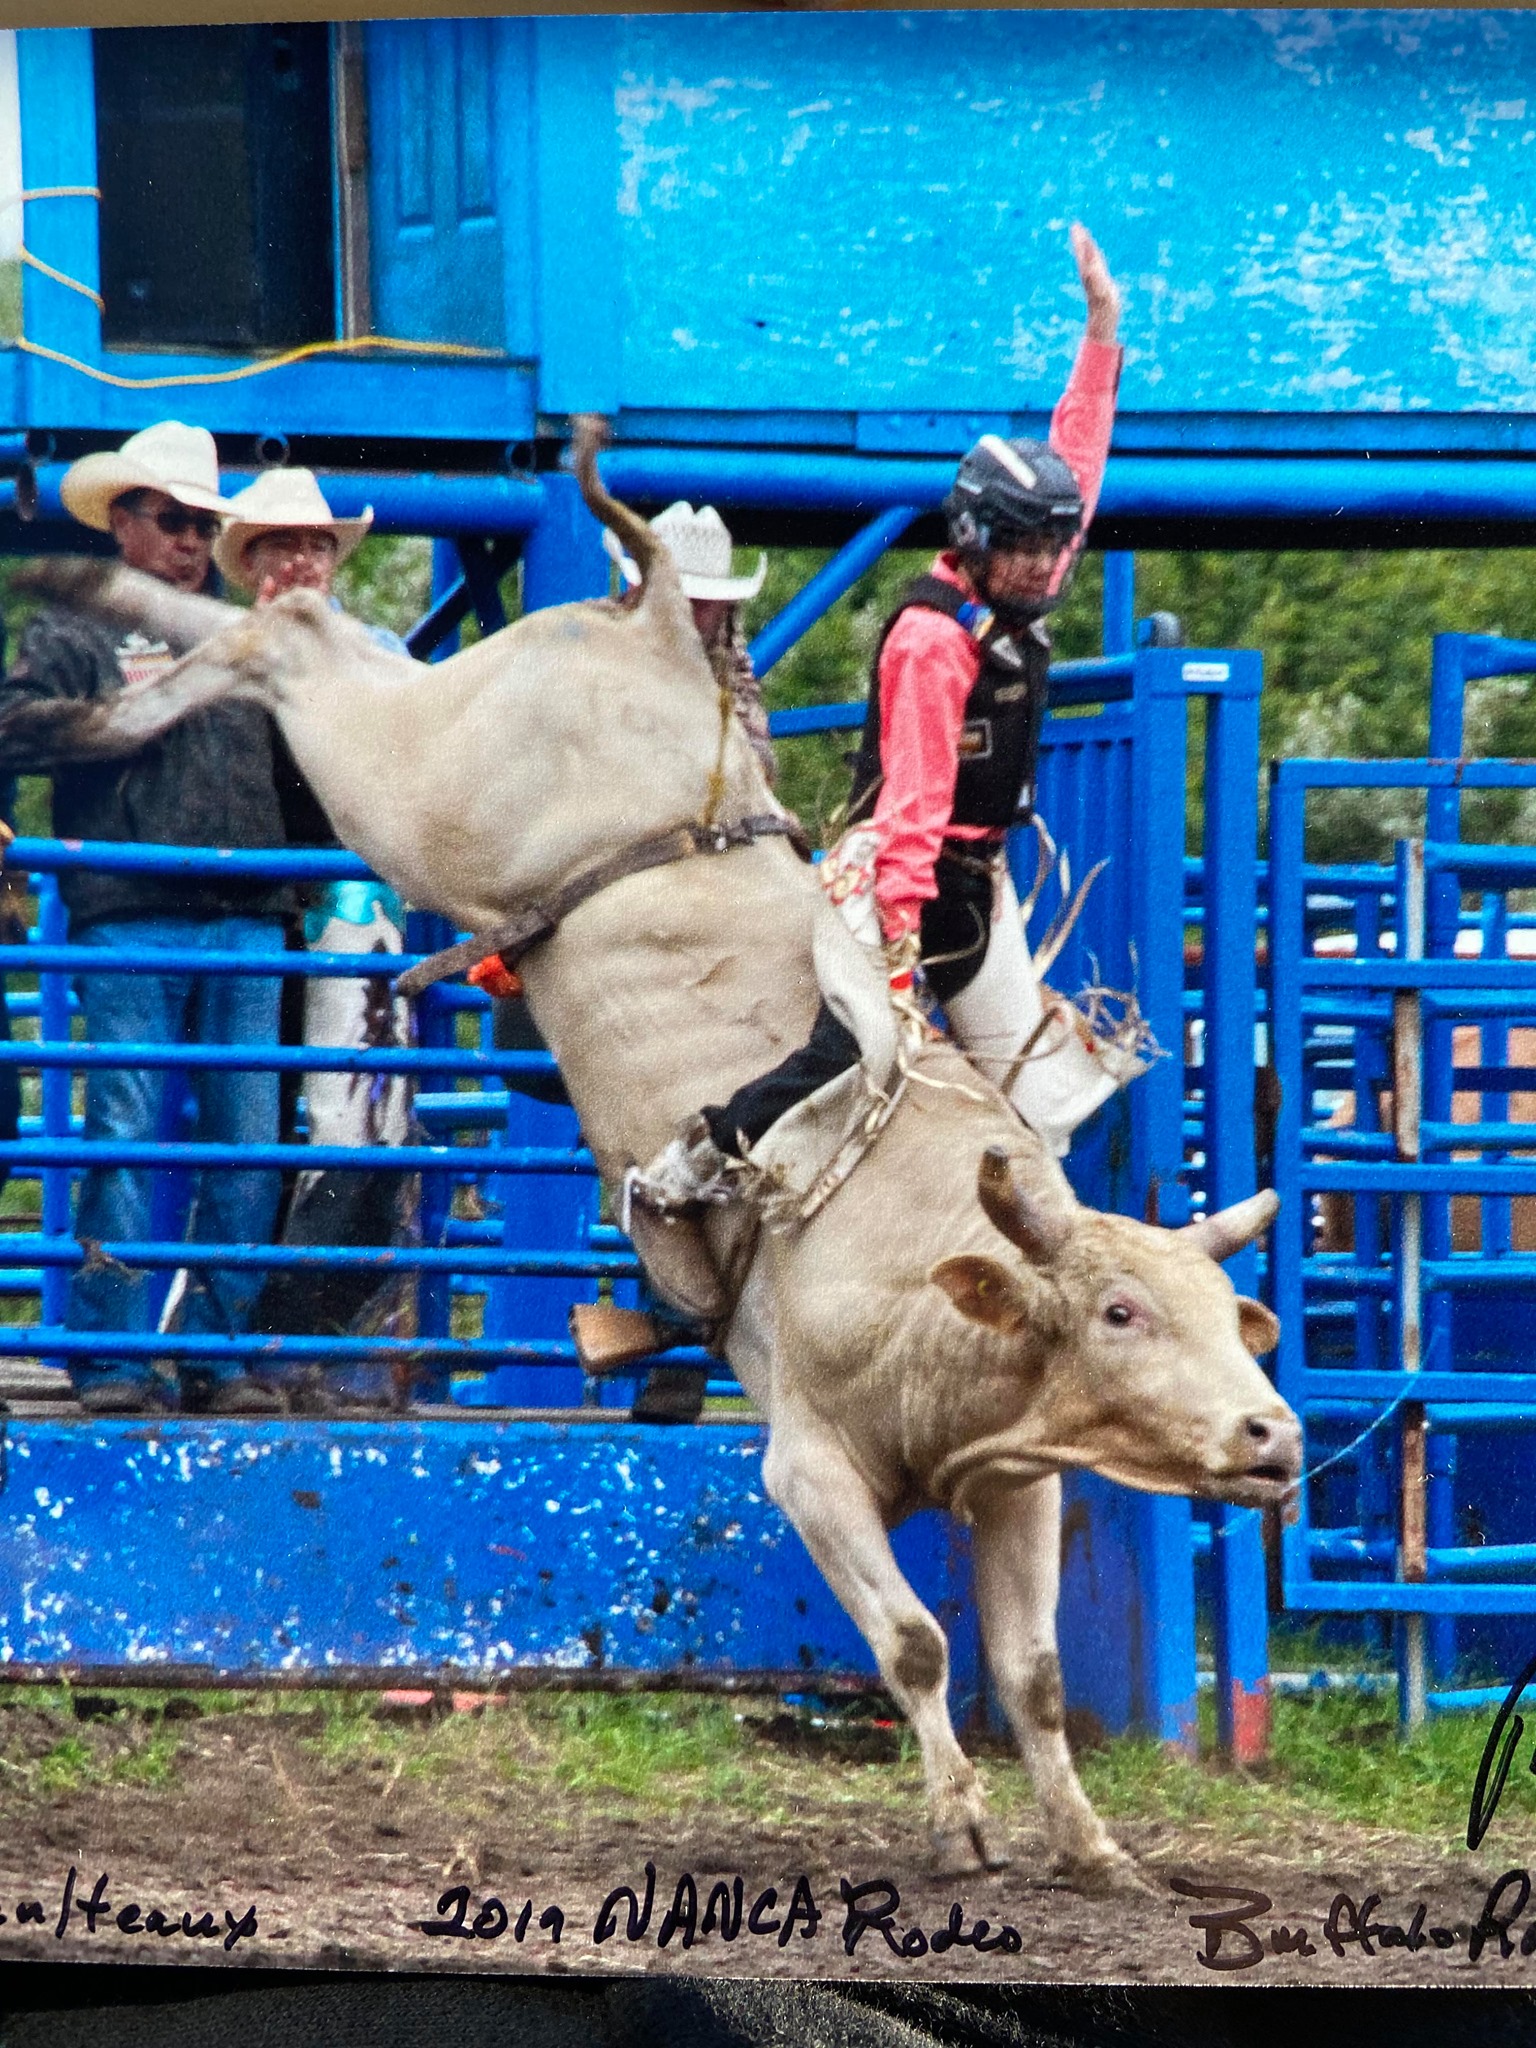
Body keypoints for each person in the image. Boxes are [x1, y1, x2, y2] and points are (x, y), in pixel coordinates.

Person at [627, 223, 1147, 1220]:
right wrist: (900, 943)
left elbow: (1080, 453)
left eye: (1054, 545)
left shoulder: (1011, 595)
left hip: (976, 885)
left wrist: (1101, 327)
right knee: (849, 1055)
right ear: (978, 540)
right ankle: (699, 1157)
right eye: (1030, 547)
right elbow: (912, 802)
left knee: (1045, 1100)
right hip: (898, 875)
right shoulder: (930, 637)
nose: (1050, 564)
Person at [0, 420, 291, 1415]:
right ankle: (120, 1355)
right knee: (129, 1125)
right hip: (134, 913)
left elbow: (304, 775)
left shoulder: (251, 640)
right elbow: (14, 728)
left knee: (249, 1140)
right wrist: (115, 721)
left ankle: (218, 1351)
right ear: (123, 522)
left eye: (204, 524)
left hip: (246, 915)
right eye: (173, 520)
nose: (191, 542)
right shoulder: (73, 637)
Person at [211, 468, 419, 1394]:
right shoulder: (223, 654)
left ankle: (306, 1342)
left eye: (315, 544)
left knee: (356, 1116)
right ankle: (221, 1333)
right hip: (252, 912)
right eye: (280, 544)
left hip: (345, 909)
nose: (301, 560)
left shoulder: (377, 656)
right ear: (249, 561)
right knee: (238, 1121)